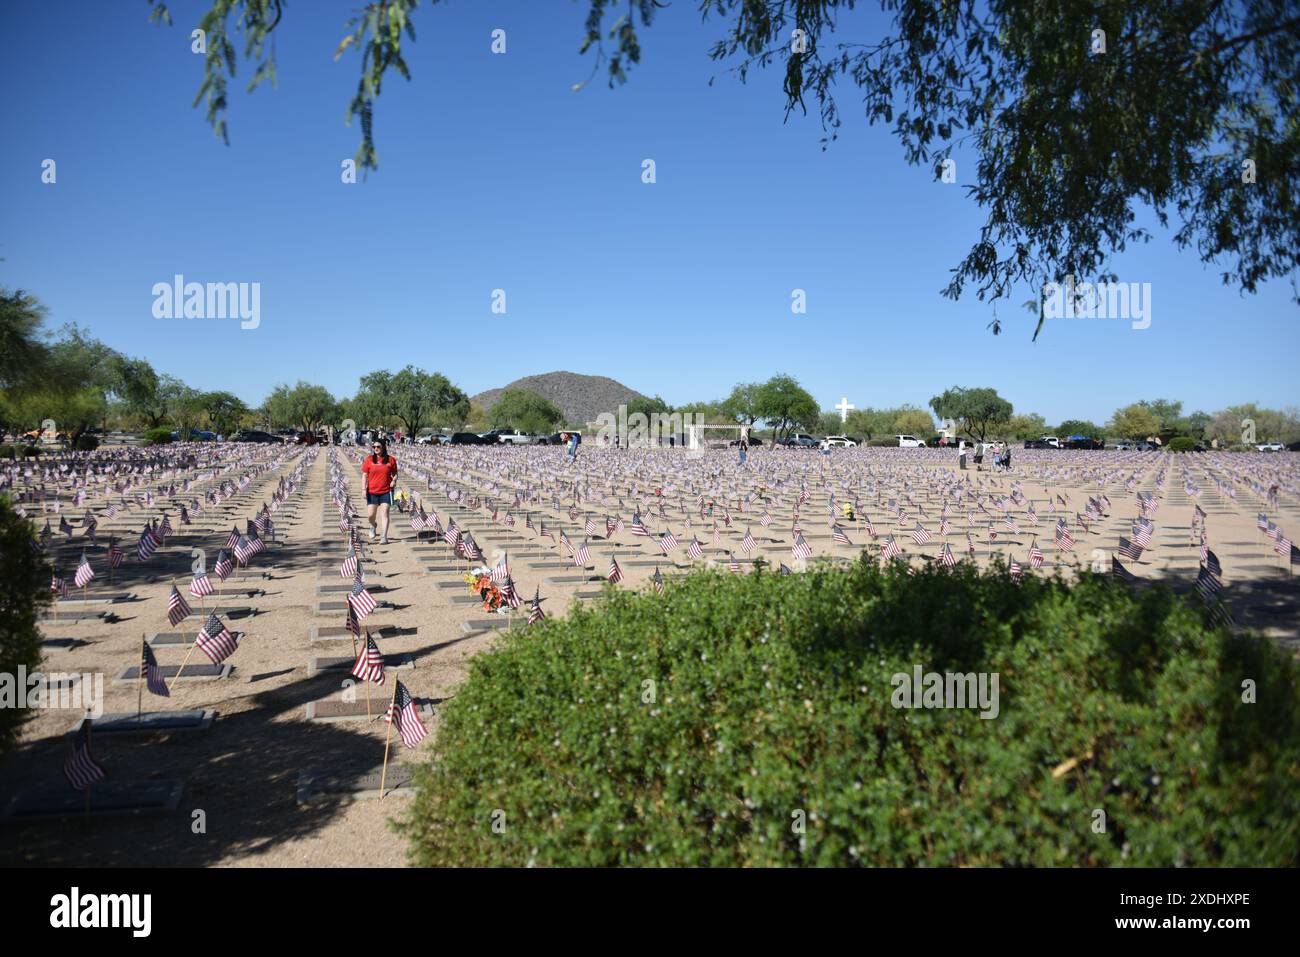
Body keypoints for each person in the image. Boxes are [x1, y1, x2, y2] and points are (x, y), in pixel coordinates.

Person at [362, 438, 398, 544]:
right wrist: (363, 489)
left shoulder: (391, 460)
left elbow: (395, 474)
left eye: (378, 447)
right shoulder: (369, 459)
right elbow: (364, 475)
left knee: (385, 513)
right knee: (370, 515)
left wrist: (394, 481)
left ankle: (384, 537)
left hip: (386, 491)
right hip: (372, 491)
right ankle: (373, 525)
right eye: (374, 447)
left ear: (383, 447)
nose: (376, 449)